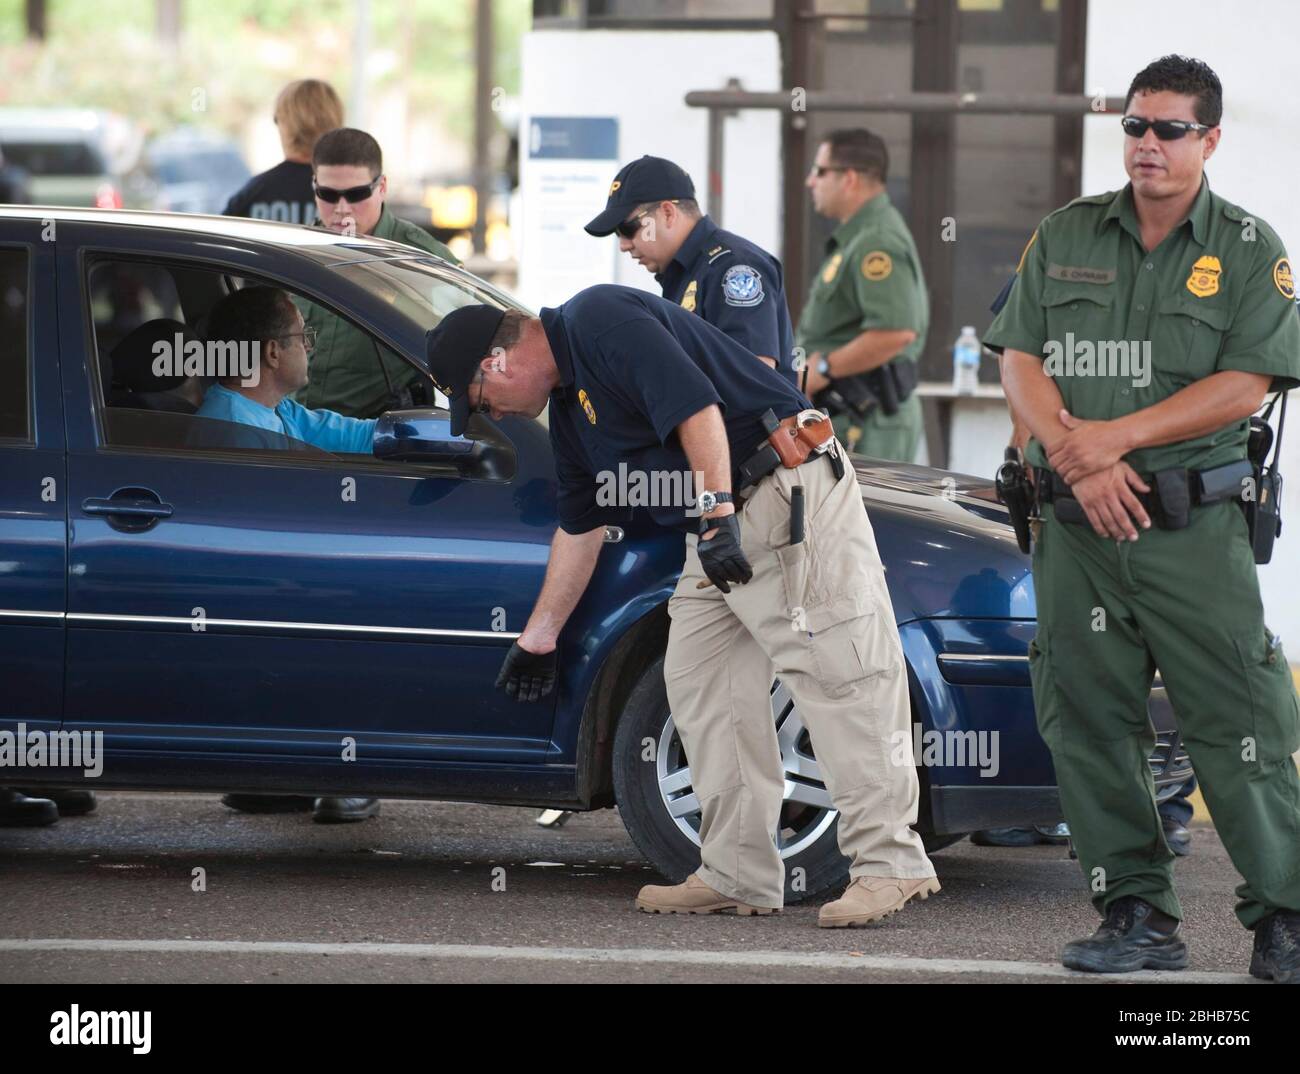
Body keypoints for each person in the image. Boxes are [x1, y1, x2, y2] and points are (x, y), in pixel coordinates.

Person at [425, 285, 939, 924]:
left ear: (495, 362)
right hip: (722, 517)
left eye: (477, 401)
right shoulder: (568, 407)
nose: (490, 415)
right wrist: (538, 638)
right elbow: (581, 527)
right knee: (701, 681)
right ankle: (738, 872)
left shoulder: (598, 319)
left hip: (779, 487)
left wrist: (716, 513)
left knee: (841, 673)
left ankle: (891, 863)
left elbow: (698, 409)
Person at [984, 55, 1300, 982]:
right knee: (1087, 720)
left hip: (1190, 533)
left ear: (1208, 139)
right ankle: (1134, 914)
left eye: (1167, 129)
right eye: (1134, 127)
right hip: (1079, 530)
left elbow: (1247, 381)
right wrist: (1078, 465)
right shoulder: (1066, 232)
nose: (1146, 145)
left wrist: (1113, 437)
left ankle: (1284, 916)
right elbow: (1019, 358)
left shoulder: (1245, 248)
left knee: (1238, 718)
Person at [200, 285, 381, 824]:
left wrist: (423, 431)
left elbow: (344, 432)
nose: (311, 349)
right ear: (273, 353)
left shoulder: (270, 413)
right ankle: (333, 767)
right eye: (305, 337)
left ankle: (277, 774)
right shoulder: (233, 430)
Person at [585, 155, 797, 383]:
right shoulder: (687, 273)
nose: (624, 245)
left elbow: (752, 377)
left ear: (667, 212)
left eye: (628, 228)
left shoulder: (733, 267)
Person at [295, 128, 460, 419]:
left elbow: (469, 352)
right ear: (313, 186)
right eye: (328, 194)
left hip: (376, 448)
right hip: (294, 434)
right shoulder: (293, 252)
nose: (342, 208)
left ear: (382, 187)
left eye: (356, 194)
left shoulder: (419, 259)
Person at [796, 128, 929, 461]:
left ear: (849, 179)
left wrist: (823, 366)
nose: (811, 181)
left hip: (868, 419)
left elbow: (895, 333)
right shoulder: (859, 236)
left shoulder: (876, 241)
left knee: (869, 514)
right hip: (853, 415)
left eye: (820, 171)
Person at [198, 286, 376, 455]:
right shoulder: (237, 433)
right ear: (272, 353)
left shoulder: (277, 408)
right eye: (302, 336)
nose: (308, 347)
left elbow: (352, 436)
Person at [223, 79, 343, 225]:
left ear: (284, 124)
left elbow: (216, 242)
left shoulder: (253, 194)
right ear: (336, 122)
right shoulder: (356, 198)